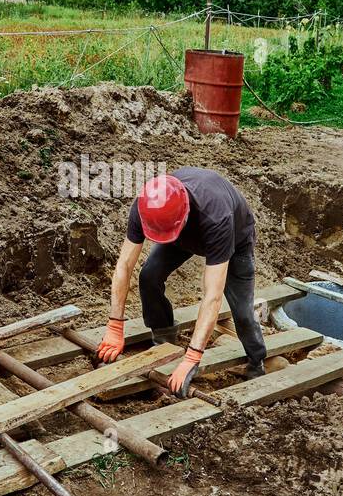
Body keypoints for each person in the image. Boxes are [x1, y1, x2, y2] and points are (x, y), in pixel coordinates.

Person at [96, 168, 267, 397]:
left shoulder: (217, 217)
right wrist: (115, 325)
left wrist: (193, 356)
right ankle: (164, 339)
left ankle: (256, 362)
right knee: (149, 277)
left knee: (242, 310)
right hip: (178, 230)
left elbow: (212, 295)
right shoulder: (148, 206)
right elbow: (124, 266)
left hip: (235, 238)